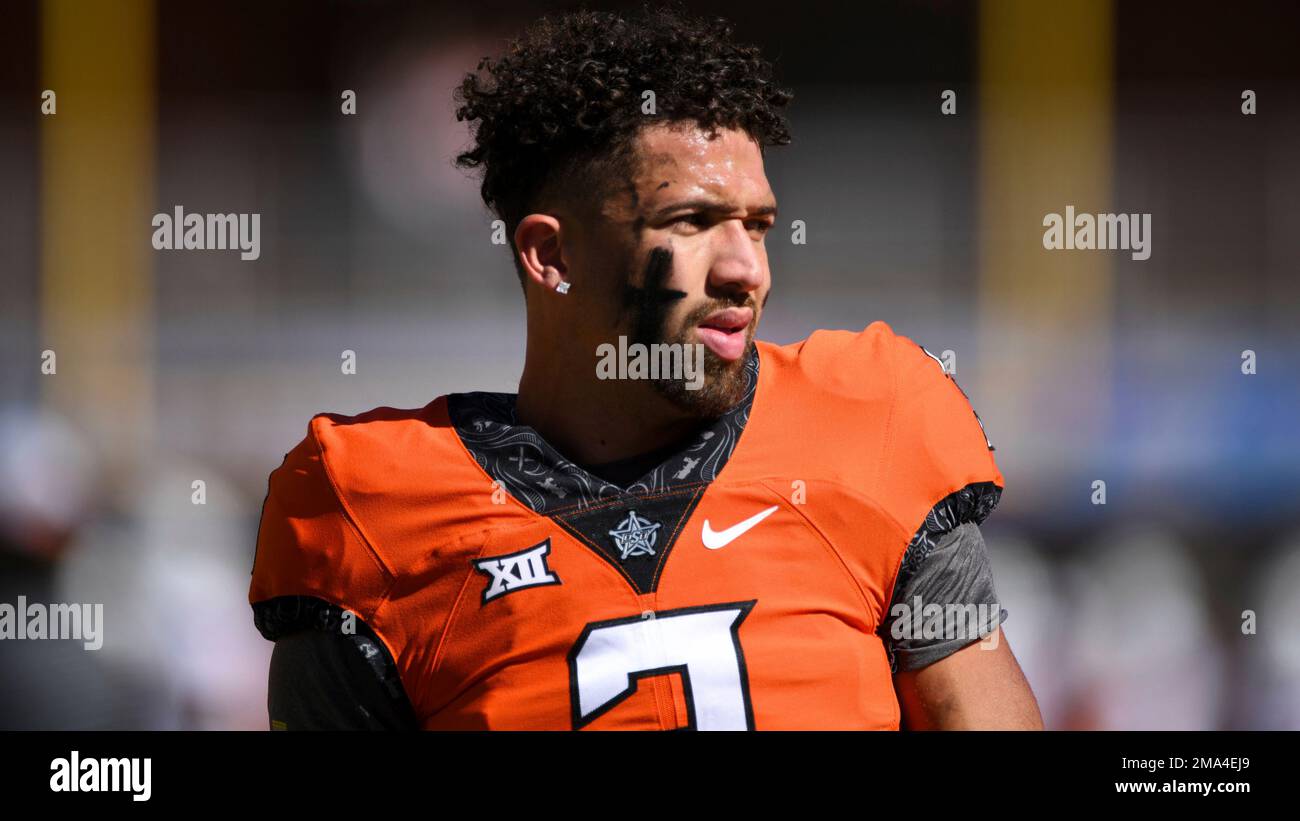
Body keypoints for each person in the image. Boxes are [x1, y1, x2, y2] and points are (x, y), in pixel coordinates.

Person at [249, 5, 1042, 730]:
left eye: (757, 225)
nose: (745, 270)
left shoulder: (871, 424)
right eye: (690, 221)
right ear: (552, 256)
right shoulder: (374, 510)